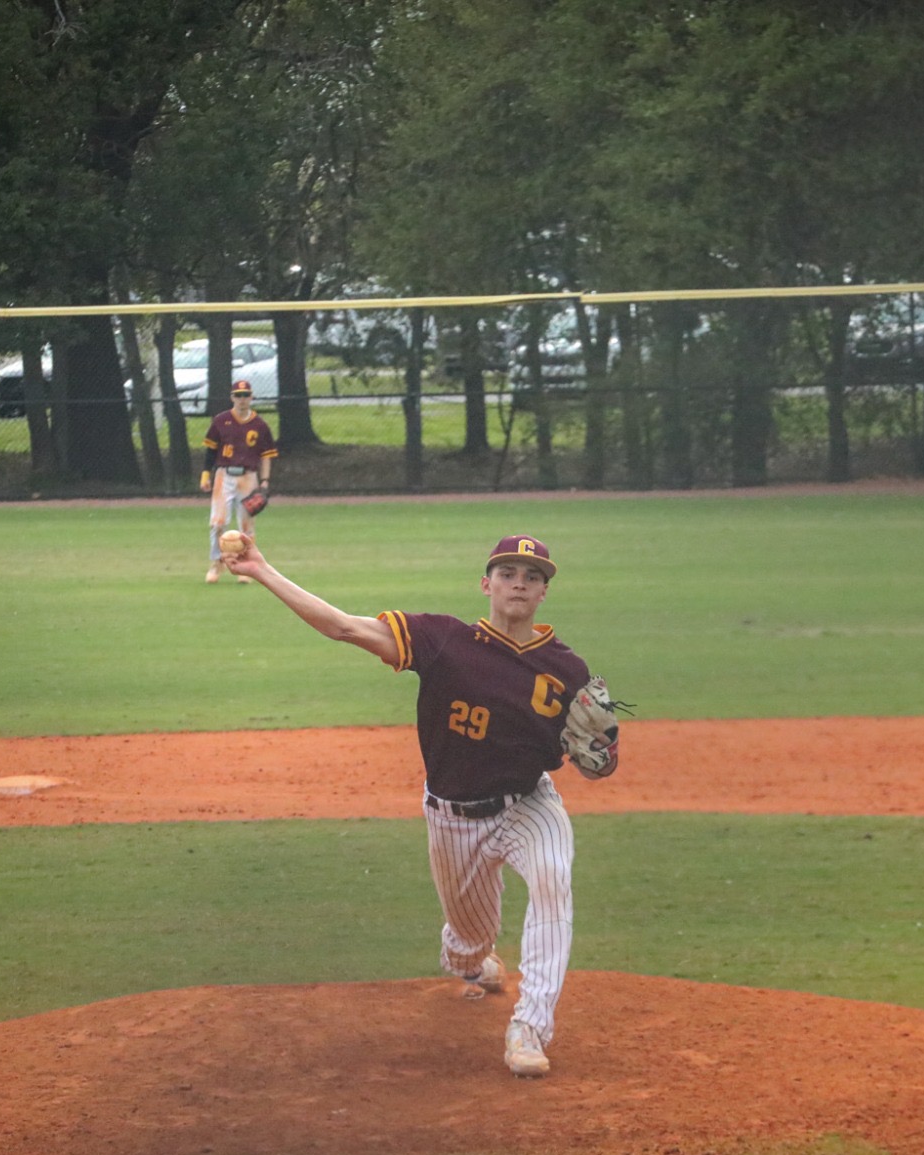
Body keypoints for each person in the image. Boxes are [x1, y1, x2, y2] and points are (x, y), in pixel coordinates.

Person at [223, 531, 615, 1077]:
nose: (519, 583)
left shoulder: (567, 670)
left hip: (530, 805)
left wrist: (606, 756)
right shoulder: (444, 641)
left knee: (553, 878)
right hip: (454, 818)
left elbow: (592, 757)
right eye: (507, 574)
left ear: (544, 592)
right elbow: (344, 626)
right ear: (486, 584)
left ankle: (529, 1027)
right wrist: (263, 571)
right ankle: (472, 961)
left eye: (532, 577)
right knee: (468, 943)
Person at [200, 378, 276, 583]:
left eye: (246, 395)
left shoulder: (260, 424)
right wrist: (206, 473)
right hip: (224, 475)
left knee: (246, 524)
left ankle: (245, 568)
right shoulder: (221, 420)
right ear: (232, 397)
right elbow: (211, 450)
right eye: (238, 395)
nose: (242, 399)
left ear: (251, 397)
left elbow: (266, 454)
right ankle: (216, 563)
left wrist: (265, 481)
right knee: (217, 522)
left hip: (248, 476)